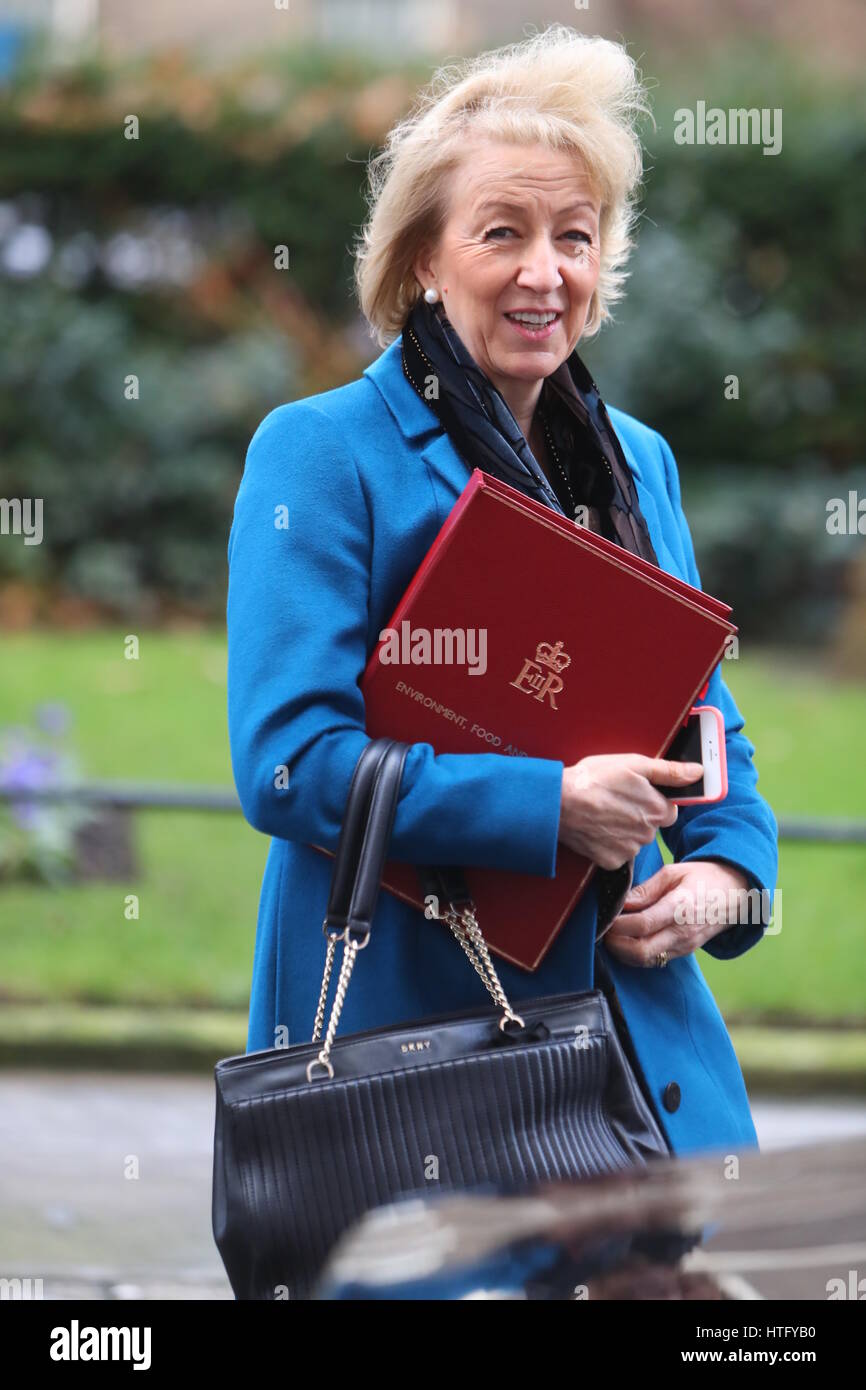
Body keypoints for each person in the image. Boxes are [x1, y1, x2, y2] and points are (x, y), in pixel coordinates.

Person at [226, 24, 778, 1157]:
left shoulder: (638, 460)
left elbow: (702, 723)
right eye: (501, 233)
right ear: (424, 257)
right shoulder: (322, 451)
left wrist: (724, 871)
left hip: (636, 1076)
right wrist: (548, 807)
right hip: (409, 1053)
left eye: (574, 236)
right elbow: (286, 762)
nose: (545, 271)